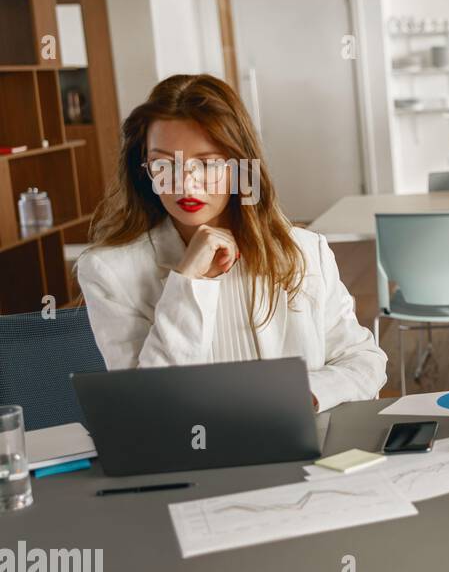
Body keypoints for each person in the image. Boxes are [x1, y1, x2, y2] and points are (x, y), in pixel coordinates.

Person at [76, 74, 387, 411]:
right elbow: (147, 405)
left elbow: (363, 361)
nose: (185, 182)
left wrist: (300, 397)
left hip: (304, 444)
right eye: (163, 164)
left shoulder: (306, 250)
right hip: (186, 457)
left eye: (207, 163)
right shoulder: (109, 270)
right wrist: (188, 281)